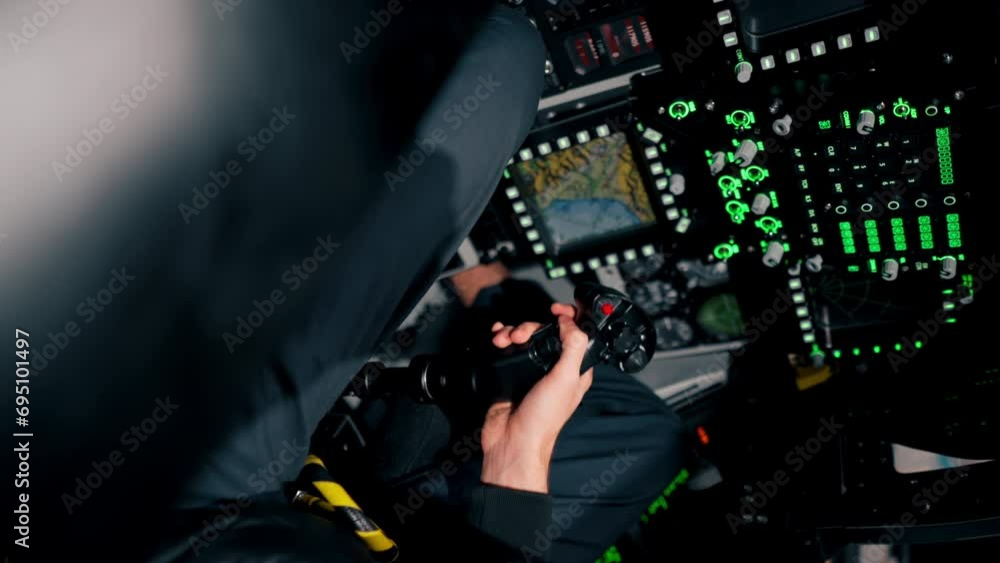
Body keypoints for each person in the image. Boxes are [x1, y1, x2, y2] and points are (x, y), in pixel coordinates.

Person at [4, 1, 681, 561]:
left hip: (171, 506)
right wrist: (517, 451)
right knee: (651, 436)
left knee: (504, 59)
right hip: (255, 500)